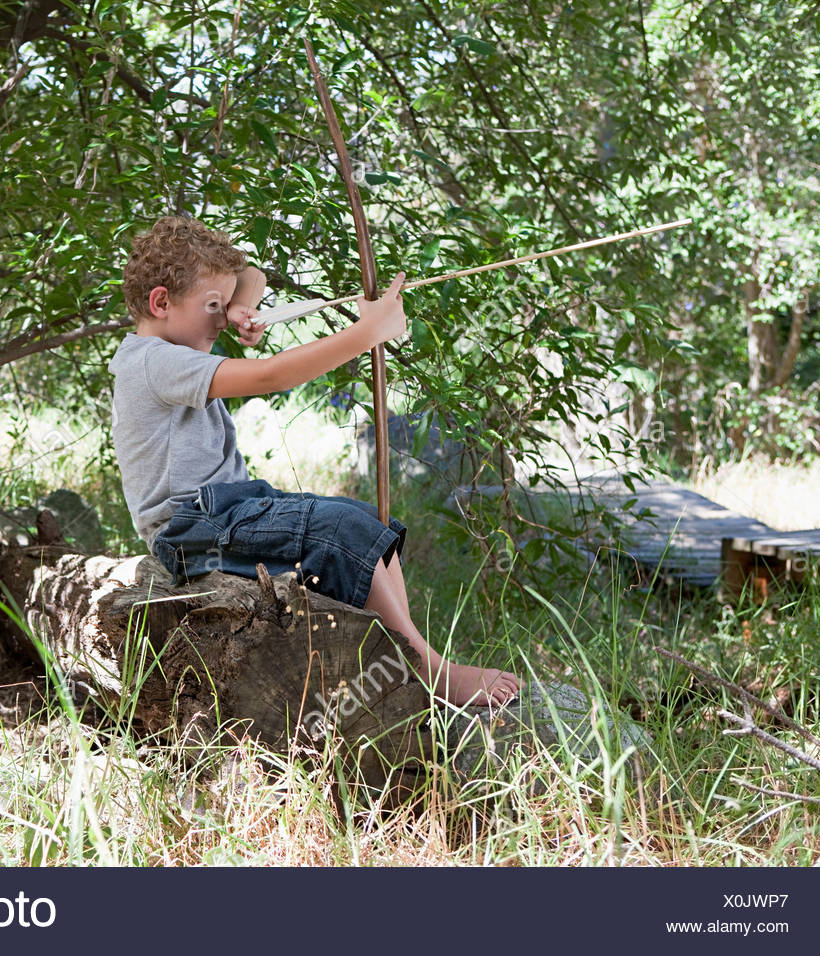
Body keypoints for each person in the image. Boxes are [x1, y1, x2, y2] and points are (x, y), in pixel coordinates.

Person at [108, 216, 520, 707]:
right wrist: (366, 333)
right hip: (189, 530)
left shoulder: (166, 349)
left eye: (222, 308)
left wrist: (237, 304)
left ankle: (409, 655)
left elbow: (251, 276)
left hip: (228, 510)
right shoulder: (153, 360)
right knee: (340, 529)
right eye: (211, 307)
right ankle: (427, 668)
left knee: (366, 522)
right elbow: (271, 376)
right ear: (161, 302)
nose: (221, 322)